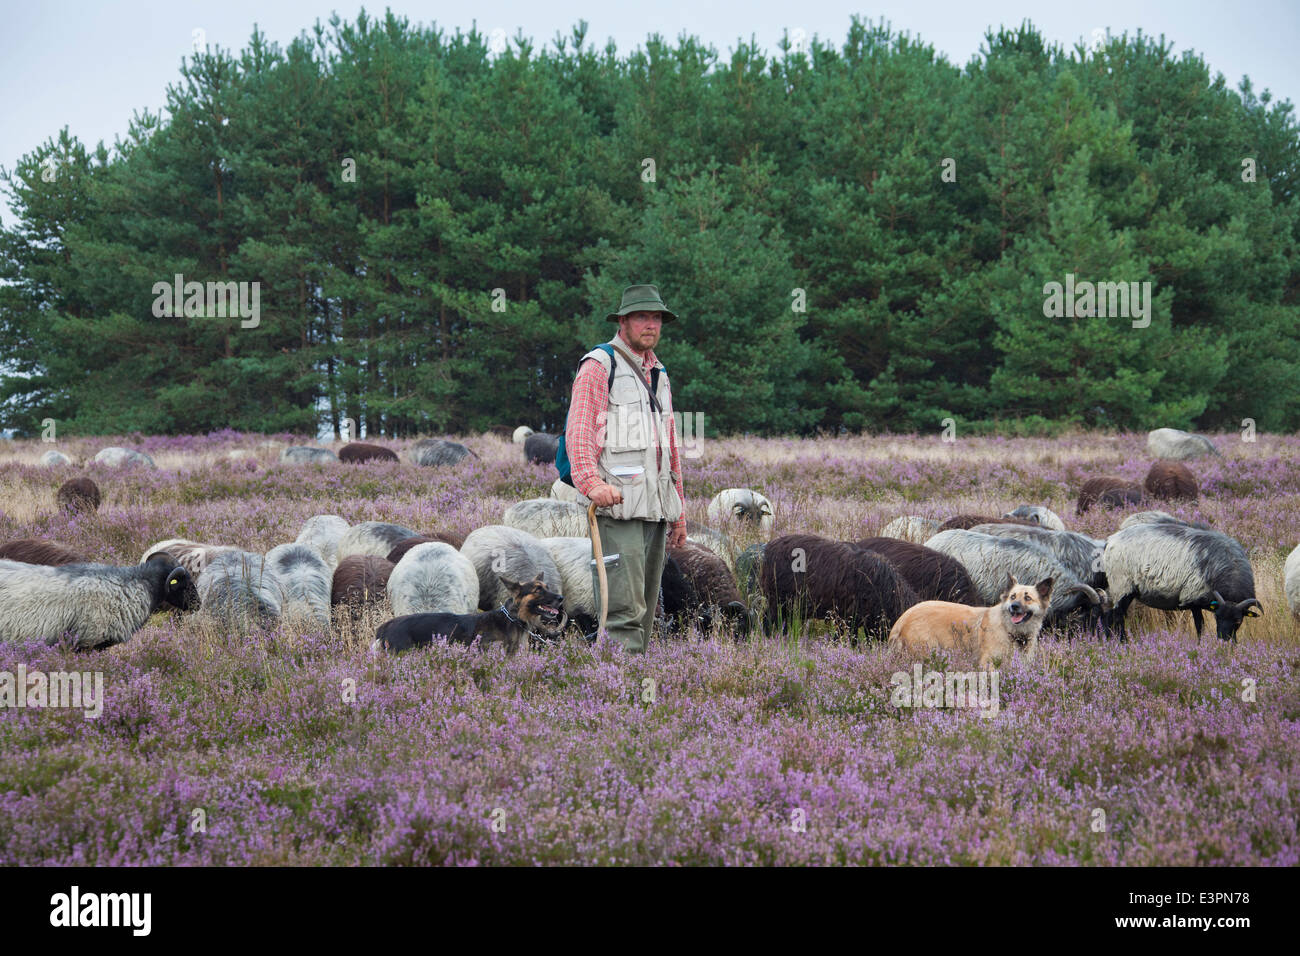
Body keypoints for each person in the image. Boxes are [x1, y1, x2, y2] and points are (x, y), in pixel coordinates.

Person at [564, 284, 687, 653]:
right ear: (622, 321)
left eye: (656, 318)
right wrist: (590, 483)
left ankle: (635, 696)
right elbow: (580, 431)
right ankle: (616, 697)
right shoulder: (599, 366)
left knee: (646, 610)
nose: (650, 324)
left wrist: (678, 510)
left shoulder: (659, 373)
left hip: (655, 510)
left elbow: (670, 448)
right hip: (617, 508)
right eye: (641, 317)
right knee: (622, 609)